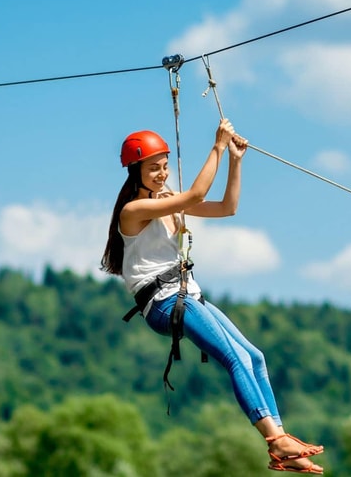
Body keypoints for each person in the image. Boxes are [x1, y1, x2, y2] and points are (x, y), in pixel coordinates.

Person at [101, 119, 325, 474]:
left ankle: (282, 443)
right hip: (164, 302)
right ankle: (274, 440)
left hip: (186, 294)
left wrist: (234, 160)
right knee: (234, 358)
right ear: (134, 172)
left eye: (163, 167)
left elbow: (226, 207)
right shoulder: (133, 211)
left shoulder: (165, 202)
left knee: (254, 356)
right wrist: (217, 146)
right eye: (152, 169)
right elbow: (195, 197)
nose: (161, 174)